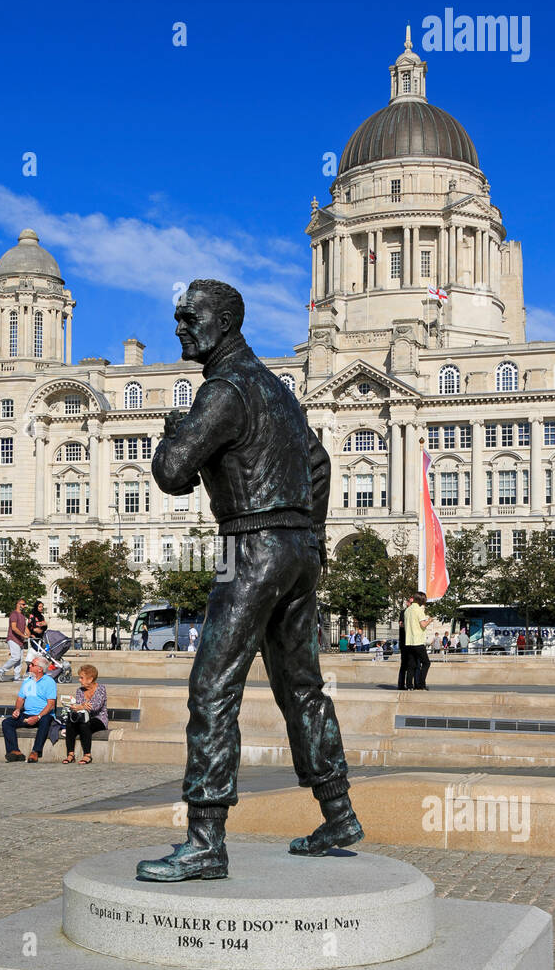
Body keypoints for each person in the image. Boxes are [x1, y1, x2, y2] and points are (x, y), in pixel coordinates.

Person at [135, 278, 363, 883]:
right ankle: (337, 812)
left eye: (190, 318)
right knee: (302, 686)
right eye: (178, 317)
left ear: (227, 323)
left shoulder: (223, 390)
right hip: (296, 548)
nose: (180, 327)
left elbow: (172, 473)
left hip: (248, 544)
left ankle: (206, 841)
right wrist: (309, 535)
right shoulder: (278, 391)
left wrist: (173, 434)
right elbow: (319, 463)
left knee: (212, 687)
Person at [1, 654, 57, 763]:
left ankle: (36, 751)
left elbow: (50, 704)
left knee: (45, 721)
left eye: (32, 664)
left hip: (43, 714)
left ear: (40, 669)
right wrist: (17, 710)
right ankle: (14, 751)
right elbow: (20, 699)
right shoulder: (27, 681)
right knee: (7, 722)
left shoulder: (49, 682)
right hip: (27, 714)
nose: (29, 666)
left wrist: (38, 716)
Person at [61, 664, 109, 765]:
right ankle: (70, 754)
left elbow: (95, 707)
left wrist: (80, 706)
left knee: (85, 724)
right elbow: (79, 707)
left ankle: (87, 755)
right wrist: (79, 706)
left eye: (81, 678)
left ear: (90, 679)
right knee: (70, 723)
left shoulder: (101, 689)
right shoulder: (80, 691)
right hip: (82, 718)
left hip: (98, 719)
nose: (79, 680)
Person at [404, 591, 434, 690]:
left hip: (408, 641)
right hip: (418, 641)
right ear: (421, 600)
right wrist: (429, 620)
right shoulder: (419, 610)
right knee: (426, 663)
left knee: (411, 664)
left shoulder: (407, 611)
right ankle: (421, 684)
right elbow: (423, 625)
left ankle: (409, 685)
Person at [0, 598, 27, 682]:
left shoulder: (22, 616)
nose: (24, 606)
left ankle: (17, 676)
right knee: (16, 657)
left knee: (20, 659)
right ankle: (2, 669)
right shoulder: (14, 614)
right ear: (18, 604)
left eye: (24, 605)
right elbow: (14, 628)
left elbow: (25, 627)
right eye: (22, 604)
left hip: (20, 640)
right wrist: (23, 635)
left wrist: (29, 634)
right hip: (13, 638)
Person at [396, 599, 412, 690]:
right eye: (411, 602)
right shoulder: (404, 612)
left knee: (412, 664)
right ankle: (401, 684)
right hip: (404, 642)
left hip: (410, 642)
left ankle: (409, 684)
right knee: (404, 665)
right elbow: (401, 624)